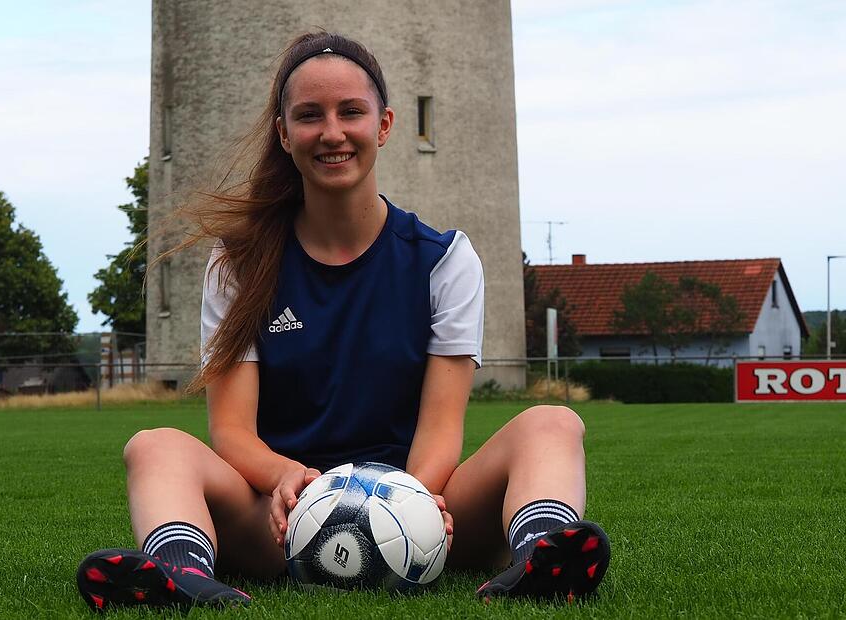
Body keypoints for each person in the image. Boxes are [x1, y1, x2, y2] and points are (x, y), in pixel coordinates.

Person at [75, 31, 609, 611]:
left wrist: (410, 503)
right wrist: (287, 478)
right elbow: (231, 432)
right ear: (284, 134)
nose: (332, 133)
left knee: (553, 422)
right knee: (154, 445)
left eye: (351, 111)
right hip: (280, 518)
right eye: (309, 116)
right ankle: (180, 574)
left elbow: (440, 429)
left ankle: (541, 557)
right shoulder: (239, 262)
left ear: (383, 125)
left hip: (419, 507)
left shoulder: (445, 260)